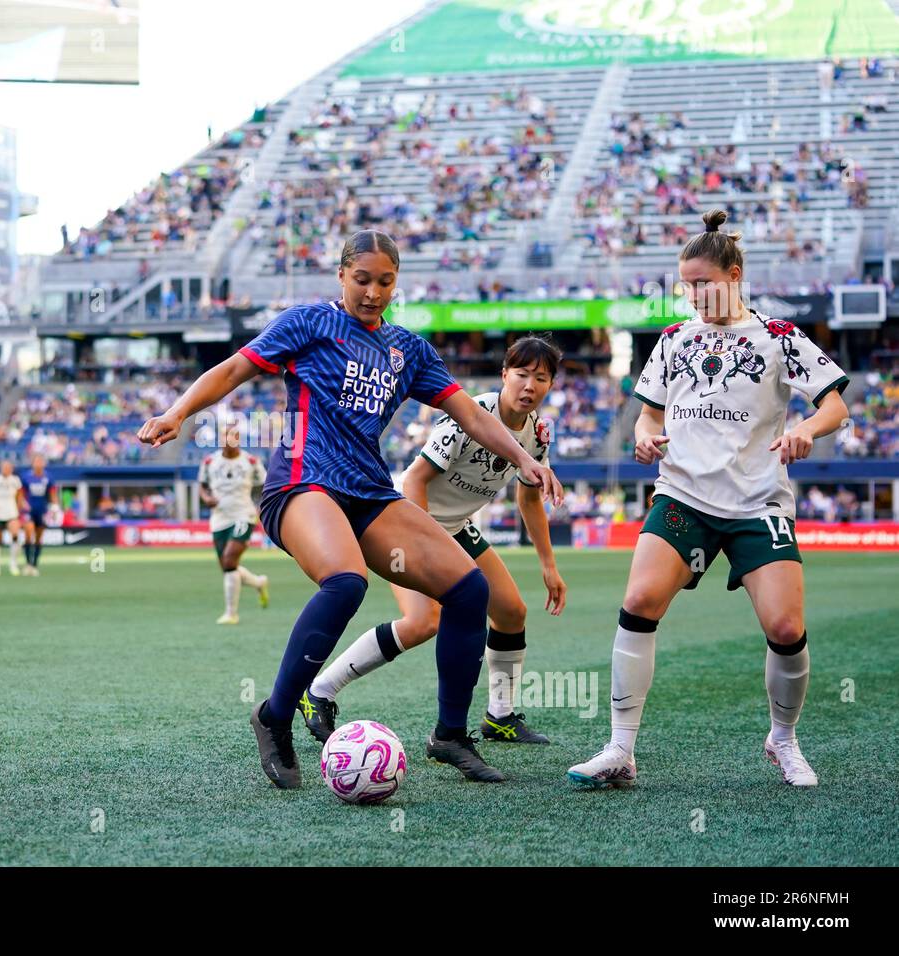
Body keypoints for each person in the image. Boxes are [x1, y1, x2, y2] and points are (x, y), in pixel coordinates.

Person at [138, 230, 562, 789]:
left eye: (385, 281)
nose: (373, 291)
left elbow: (473, 415)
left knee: (468, 589)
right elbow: (232, 370)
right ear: (342, 276)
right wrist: (178, 412)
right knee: (345, 582)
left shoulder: (408, 349)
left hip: (367, 491)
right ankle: (275, 714)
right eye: (362, 279)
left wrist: (523, 460)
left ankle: (450, 736)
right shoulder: (309, 323)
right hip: (301, 482)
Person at [568, 209, 849, 790]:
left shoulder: (778, 338)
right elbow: (647, 416)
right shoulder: (673, 341)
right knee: (641, 598)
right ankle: (620, 748)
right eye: (686, 284)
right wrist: (646, 438)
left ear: (734, 275)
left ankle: (784, 739)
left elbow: (835, 407)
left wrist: (805, 430)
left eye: (703, 282)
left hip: (758, 502)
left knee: (785, 624)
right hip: (684, 496)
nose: (693, 294)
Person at [300, 336, 568, 778]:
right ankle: (320, 690)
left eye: (541, 378)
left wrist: (548, 565)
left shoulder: (538, 431)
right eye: (521, 374)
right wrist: (427, 541)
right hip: (406, 526)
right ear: (504, 375)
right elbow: (414, 479)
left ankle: (499, 718)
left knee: (511, 612)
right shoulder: (474, 414)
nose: (529, 385)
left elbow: (530, 499)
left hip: (458, 530)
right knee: (424, 622)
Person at [196, 421, 269, 624]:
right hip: (219, 518)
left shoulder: (251, 461)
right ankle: (259, 582)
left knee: (229, 560)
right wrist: (207, 498)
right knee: (229, 567)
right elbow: (202, 486)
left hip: (243, 515)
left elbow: (266, 485)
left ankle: (231, 613)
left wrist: (262, 506)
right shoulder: (210, 462)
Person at [20, 452, 56, 576]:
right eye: (37, 461)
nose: (39, 464)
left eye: (41, 461)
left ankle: (35, 564)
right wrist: (22, 504)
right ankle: (28, 563)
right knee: (28, 533)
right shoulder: (26, 477)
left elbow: (52, 494)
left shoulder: (48, 477)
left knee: (39, 537)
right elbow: (20, 494)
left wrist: (54, 507)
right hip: (29, 510)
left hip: (42, 510)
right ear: (33, 463)